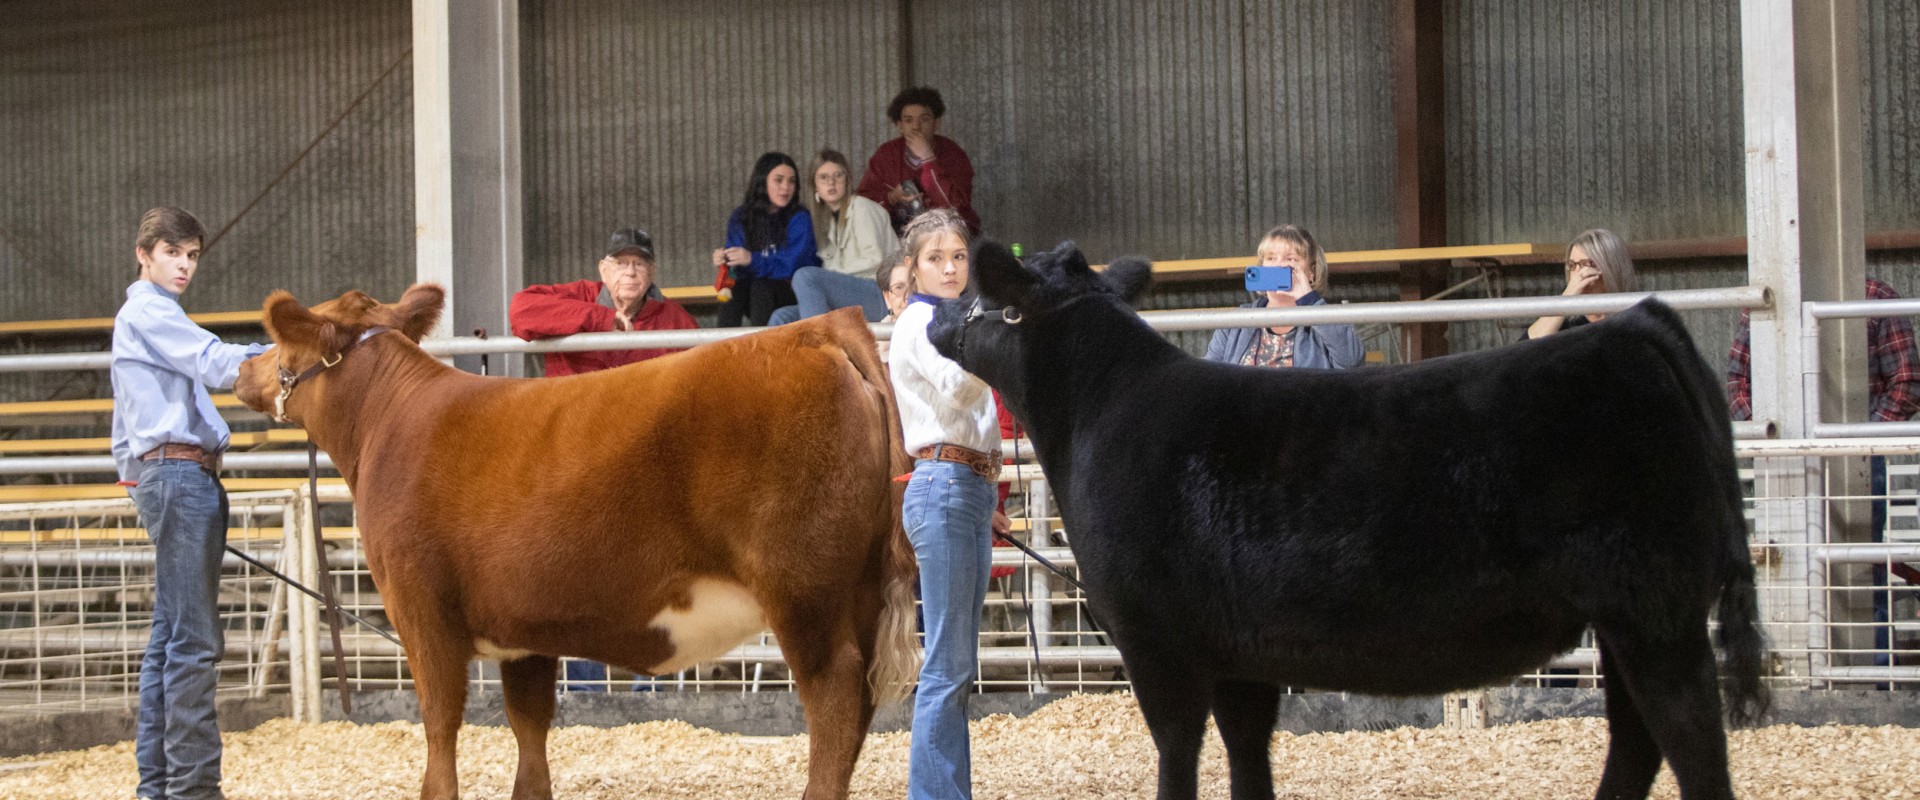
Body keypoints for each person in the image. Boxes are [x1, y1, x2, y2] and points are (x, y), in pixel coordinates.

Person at [111, 206, 272, 800]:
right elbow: (211, 360)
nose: (184, 265)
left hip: (168, 476)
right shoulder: (150, 311)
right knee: (194, 642)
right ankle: (194, 791)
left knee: (170, 639)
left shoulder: (144, 317)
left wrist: (143, 482)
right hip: (180, 475)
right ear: (144, 254)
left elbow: (124, 428)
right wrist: (285, 356)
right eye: (173, 253)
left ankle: (159, 788)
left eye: (192, 255)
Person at [1730, 278, 1920, 665]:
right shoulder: (1764, 304)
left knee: (1860, 571)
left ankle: (1873, 679)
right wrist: (1770, 436)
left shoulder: (1872, 297)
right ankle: (1801, 668)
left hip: (1854, 458)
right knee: (1789, 563)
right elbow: (1737, 382)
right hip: (1786, 459)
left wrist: (1854, 441)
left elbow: (1908, 382)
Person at [887, 208, 1008, 799]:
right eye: (935, 258)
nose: (950, 267)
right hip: (945, 484)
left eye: (958, 256)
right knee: (946, 665)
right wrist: (997, 341)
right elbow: (960, 388)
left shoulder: (954, 319)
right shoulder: (919, 321)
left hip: (967, 488)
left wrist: (989, 491)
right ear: (913, 269)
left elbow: (976, 416)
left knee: (955, 663)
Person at [510, 227, 696, 377]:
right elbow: (521, 309)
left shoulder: (677, 319)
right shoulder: (580, 296)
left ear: (652, 272)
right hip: (577, 418)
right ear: (604, 270)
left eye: (639, 264)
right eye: (621, 263)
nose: (630, 272)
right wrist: (601, 319)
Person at [1202, 224, 1363, 368]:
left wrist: (1309, 301)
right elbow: (1209, 376)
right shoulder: (1234, 323)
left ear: (1311, 273)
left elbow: (1352, 361)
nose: (1278, 265)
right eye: (1271, 258)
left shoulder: (1328, 320)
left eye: (1291, 259)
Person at [768, 149, 895, 325]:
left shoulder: (862, 208)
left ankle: (821, 351)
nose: (831, 182)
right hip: (849, 297)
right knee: (781, 317)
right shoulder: (825, 221)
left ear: (847, 180)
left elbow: (875, 260)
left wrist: (828, 278)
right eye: (823, 177)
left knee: (805, 277)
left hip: (882, 295)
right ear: (815, 186)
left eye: (838, 175)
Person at [713, 152, 820, 327]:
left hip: (793, 294)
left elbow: (790, 265)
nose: (786, 187)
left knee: (762, 285)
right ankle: (721, 348)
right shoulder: (741, 216)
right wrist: (725, 258)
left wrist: (752, 259)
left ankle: (762, 347)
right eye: (779, 180)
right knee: (734, 290)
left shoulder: (800, 218)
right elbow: (736, 267)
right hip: (754, 296)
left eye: (791, 181)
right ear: (763, 182)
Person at [857, 87, 981, 236]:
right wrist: (892, 197)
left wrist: (927, 158)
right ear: (900, 126)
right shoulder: (886, 155)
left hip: (948, 236)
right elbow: (862, 205)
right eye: (908, 120)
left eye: (924, 119)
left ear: (936, 123)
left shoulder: (954, 154)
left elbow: (954, 207)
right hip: (899, 239)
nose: (916, 126)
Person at [1527, 228, 1638, 339]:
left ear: (1612, 267)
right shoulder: (1564, 321)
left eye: (1590, 264)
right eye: (1573, 265)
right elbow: (1524, 351)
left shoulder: (1636, 318)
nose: (1579, 274)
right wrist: (1566, 297)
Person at [873, 246, 913, 361]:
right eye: (899, 288)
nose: (908, 297)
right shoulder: (873, 349)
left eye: (916, 286)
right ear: (887, 298)